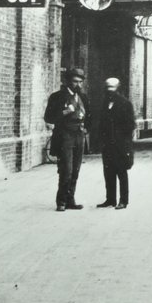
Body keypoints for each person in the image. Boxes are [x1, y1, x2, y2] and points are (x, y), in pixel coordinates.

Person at [44, 68, 89, 211]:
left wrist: (87, 128)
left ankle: (71, 200)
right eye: (75, 81)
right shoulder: (57, 97)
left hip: (79, 135)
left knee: (75, 170)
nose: (78, 85)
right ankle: (61, 201)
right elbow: (49, 117)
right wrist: (65, 112)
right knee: (66, 170)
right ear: (68, 81)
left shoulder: (83, 97)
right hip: (65, 135)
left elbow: (90, 115)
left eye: (81, 82)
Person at [93, 77, 136, 209]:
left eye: (112, 87)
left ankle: (123, 200)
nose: (109, 90)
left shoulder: (125, 103)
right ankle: (110, 199)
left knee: (121, 172)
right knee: (108, 172)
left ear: (118, 88)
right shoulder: (104, 103)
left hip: (120, 145)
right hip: (107, 145)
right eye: (107, 87)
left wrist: (124, 142)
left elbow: (130, 126)